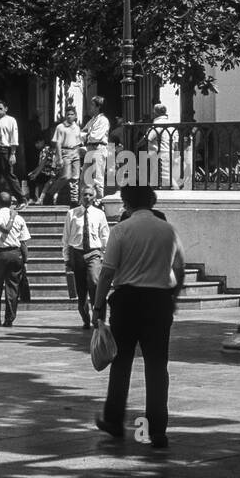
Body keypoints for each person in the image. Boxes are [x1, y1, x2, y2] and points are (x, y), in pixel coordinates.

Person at [92, 183, 186, 449]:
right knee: (157, 366)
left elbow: (108, 272)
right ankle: (157, 429)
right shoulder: (168, 230)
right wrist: (173, 298)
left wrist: (98, 306)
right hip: (158, 302)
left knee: (121, 363)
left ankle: (114, 419)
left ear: (126, 203)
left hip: (127, 302)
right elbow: (179, 267)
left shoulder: (121, 230)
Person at [61, 183, 110, 328]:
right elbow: (66, 237)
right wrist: (66, 259)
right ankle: (85, 318)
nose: (87, 197)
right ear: (80, 197)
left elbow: (105, 235)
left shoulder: (99, 214)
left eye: (90, 194)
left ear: (94, 197)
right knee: (81, 291)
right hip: (77, 254)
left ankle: (99, 318)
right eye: (85, 194)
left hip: (93, 253)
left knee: (95, 283)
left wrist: (105, 255)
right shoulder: (72, 214)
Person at [0, 190, 31, 326]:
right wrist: (25, 260)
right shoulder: (19, 218)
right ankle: (9, 318)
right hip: (15, 253)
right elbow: (23, 242)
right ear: (11, 203)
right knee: (12, 287)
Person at [0, 100, 23, 201]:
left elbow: (14, 138)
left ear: (6, 109)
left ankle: (21, 199)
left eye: (0, 108)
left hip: (5, 150)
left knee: (9, 175)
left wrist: (13, 153)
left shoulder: (11, 120)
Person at [46, 108, 83, 205]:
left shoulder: (77, 127)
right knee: (65, 176)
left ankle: (74, 200)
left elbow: (79, 141)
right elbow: (58, 143)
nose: (69, 116)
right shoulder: (60, 127)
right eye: (68, 114)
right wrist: (59, 158)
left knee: (75, 177)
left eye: (71, 114)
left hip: (75, 151)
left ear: (75, 116)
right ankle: (50, 193)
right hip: (65, 151)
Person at [139, 104, 178, 190]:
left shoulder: (157, 124)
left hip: (159, 154)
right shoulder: (172, 123)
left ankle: (179, 194)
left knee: (165, 178)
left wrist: (137, 145)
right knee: (161, 179)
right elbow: (176, 142)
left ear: (155, 113)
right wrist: (176, 155)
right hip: (169, 152)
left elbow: (148, 138)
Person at [81, 95, 111, 194]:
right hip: (90, 148)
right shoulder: (92, 120)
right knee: (85, 177)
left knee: (97, 178)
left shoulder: (103, 120)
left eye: (93, 105)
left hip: (98, 148)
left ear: (98, 107)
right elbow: (82, 132)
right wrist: (86, 134)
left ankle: (99, 201)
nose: (90, 107)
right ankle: (86, 199)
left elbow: (95, 137)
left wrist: (86, 135)